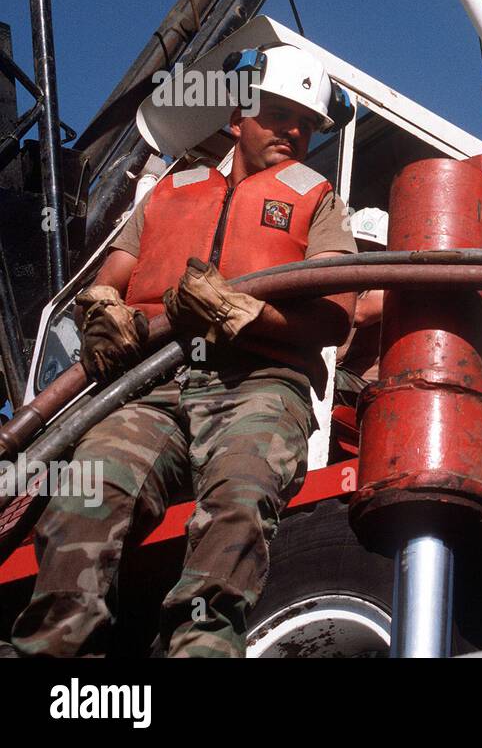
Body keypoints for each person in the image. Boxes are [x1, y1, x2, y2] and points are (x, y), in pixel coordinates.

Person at [10, 43, 358, 657]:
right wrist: (101, 313)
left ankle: (201, 647)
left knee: (241, 498)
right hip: (151, 388)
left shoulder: (318, 198)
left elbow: (335, 314)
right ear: (238, 117)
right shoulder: (171, 191)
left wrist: (243, 314)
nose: (295, 131)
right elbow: (108, 282)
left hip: (259, 384)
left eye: (306, 122)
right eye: (280, 113)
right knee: (87, 495)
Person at [332, 208, 387, 412]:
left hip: (364, 388)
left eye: (373, 250)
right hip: (338, 378)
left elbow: (359, 314)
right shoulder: (346, 286)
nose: (364, 255)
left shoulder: (388, 288)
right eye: (359, 246)